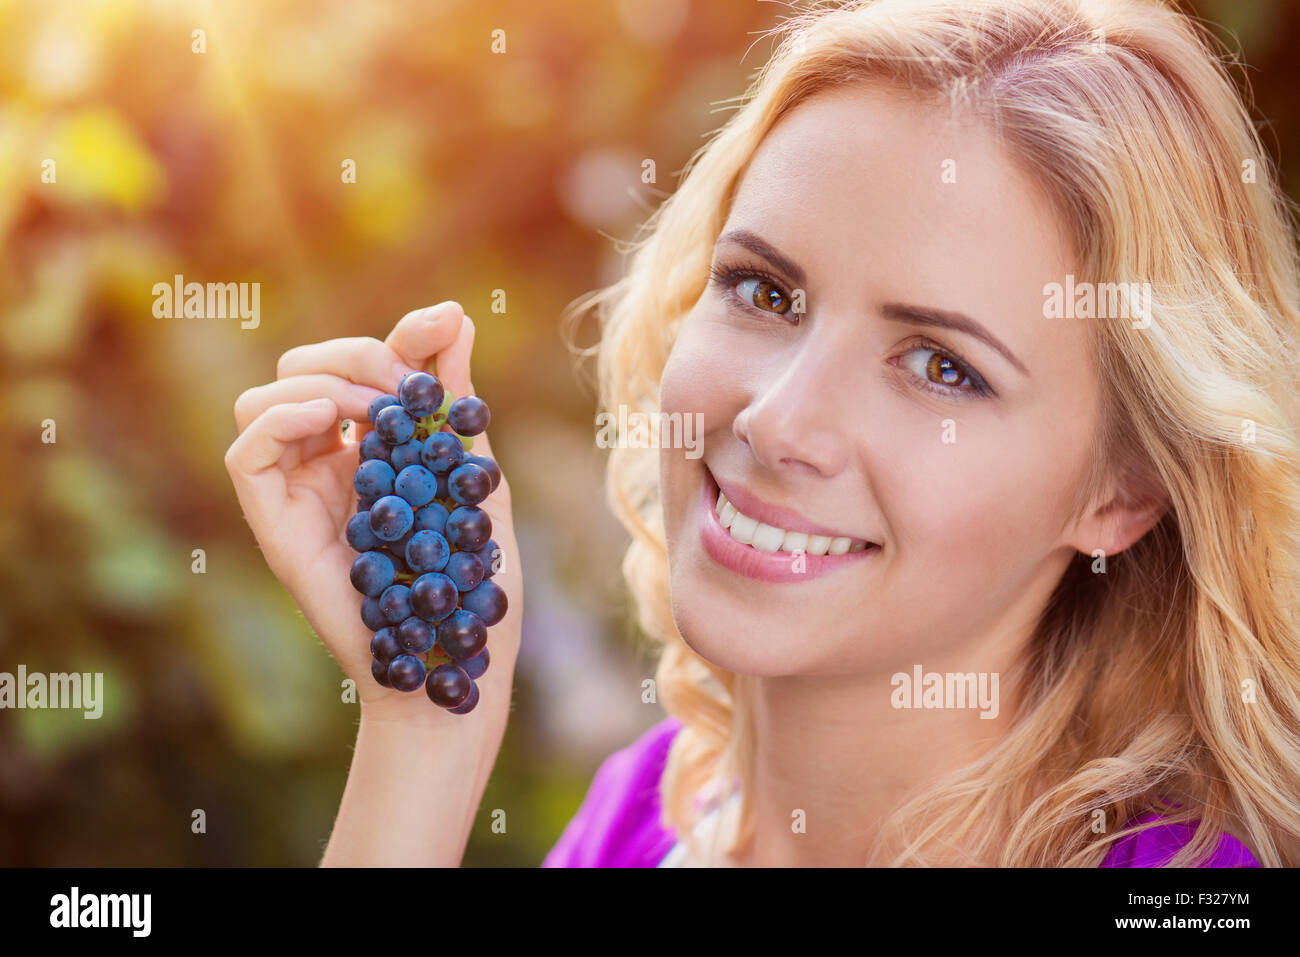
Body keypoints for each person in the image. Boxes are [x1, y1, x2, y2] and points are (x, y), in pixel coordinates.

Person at [226, 0, 1300, 866]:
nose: (780, 420)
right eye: (765, 292)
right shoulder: (647, 813)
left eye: (941, 368)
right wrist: (427, 721)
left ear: (1118, 494)